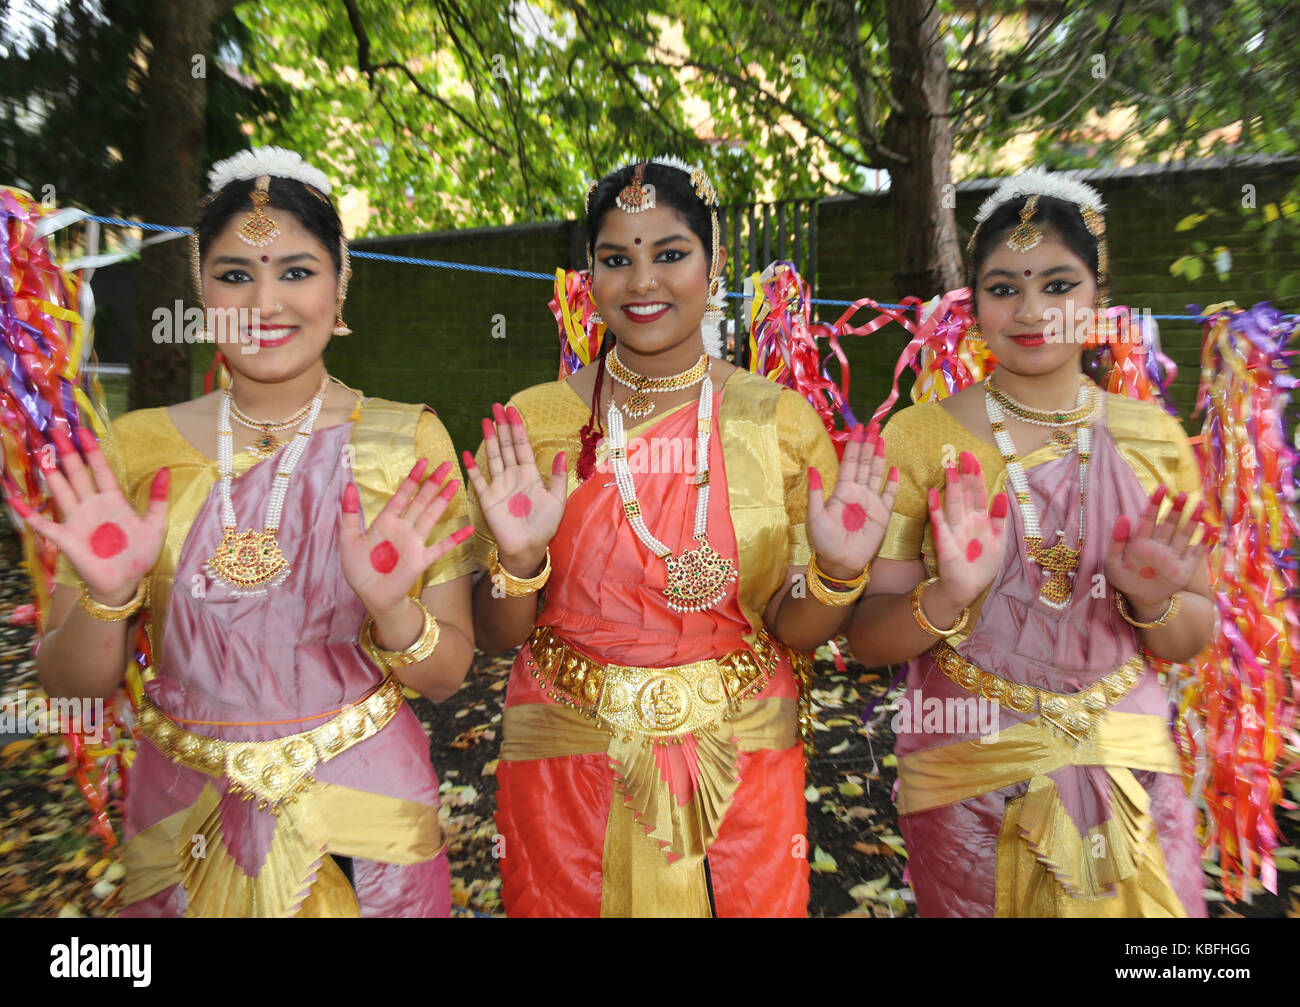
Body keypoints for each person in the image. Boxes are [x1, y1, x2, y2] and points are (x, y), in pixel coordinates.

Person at [23, 147, 475, 917]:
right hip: (180, 812)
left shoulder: (406, 441)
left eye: (296, 271)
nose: (265, 301)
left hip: (367, 820)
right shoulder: (135, 447)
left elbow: (446, 676)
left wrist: (394, 611)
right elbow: (71, 683)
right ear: (201, 291)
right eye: (235, 273)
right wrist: (108, 597)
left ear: (340, 287)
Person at [464, 157, 899, 917]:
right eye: (615, 259)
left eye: (670, 254)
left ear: (715, 263)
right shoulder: (536, 423)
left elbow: (796, 631)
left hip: (740, 756)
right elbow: (499, 634)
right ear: (587, 277)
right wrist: (520, 559)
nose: (643, 282)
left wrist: (834, 572)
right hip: (567, 755)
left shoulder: (779, 423)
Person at [846, 169, 1214, 917]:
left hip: (1129, 768)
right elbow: (867, 642)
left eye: (1058, 284)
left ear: (1098, 298)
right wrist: (947, 593)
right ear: (972, 302)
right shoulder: (919, 439)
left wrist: (1151, 595)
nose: (1032, 310)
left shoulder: (1154, 440)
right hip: (969, 780)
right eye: (1004, 287)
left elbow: (1190, 637)